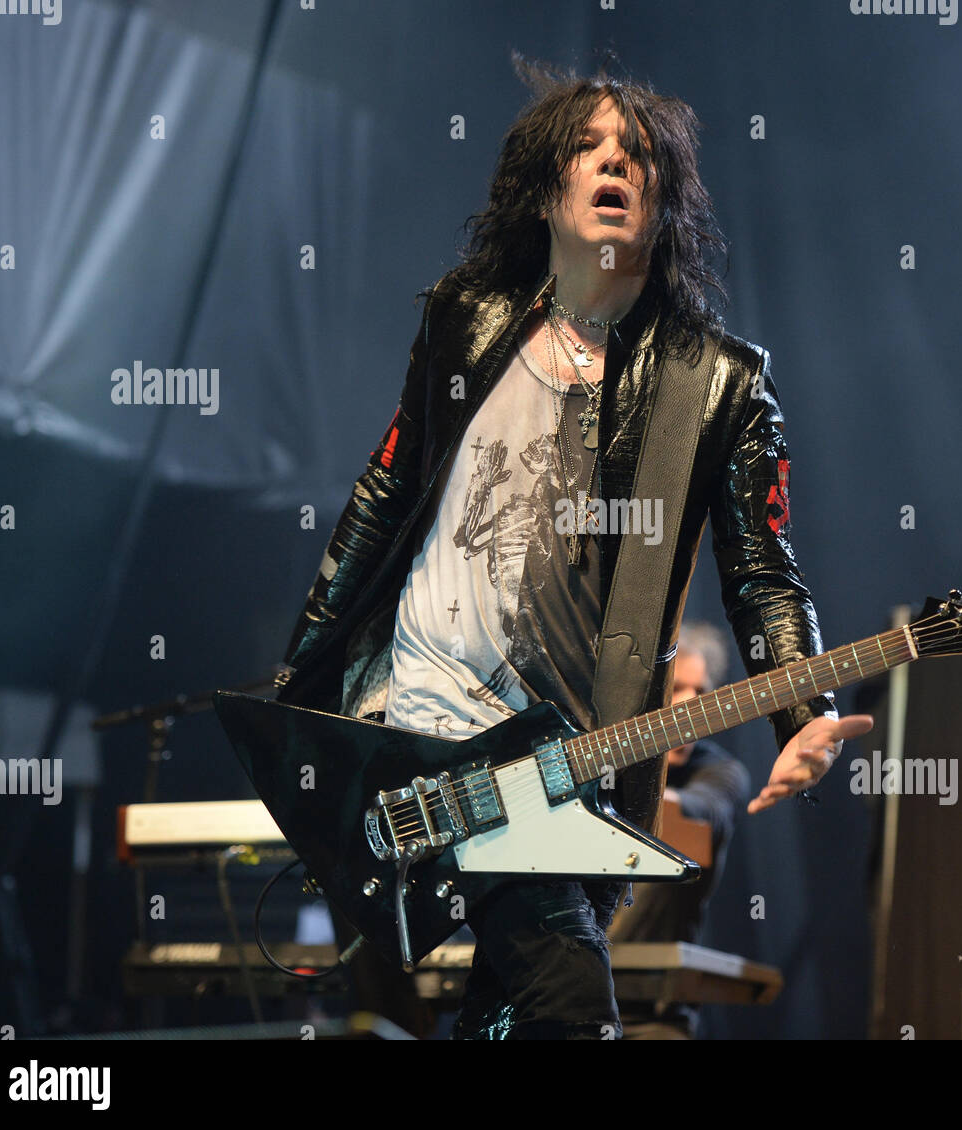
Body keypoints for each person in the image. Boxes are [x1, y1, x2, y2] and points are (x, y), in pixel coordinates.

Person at [275, 54, 873, 1040]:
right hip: (422, 721)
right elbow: (383, 492)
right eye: (587, 148)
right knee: (567, 1003)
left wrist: (802, 706)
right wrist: (305, 688)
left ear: (662, 198)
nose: (613, 163)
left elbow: (762, 566)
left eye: (635, 154)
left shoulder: (714, 385)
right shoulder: (463, 320)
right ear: (544, 190)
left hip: (566, 756)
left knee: (508, 1013)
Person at [609, 621, 751, 1039]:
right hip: (568, 998)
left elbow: (698, 814)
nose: (690, 706)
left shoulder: (720, 772)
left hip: (652, 1012)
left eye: (701, 693)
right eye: (675, 689)